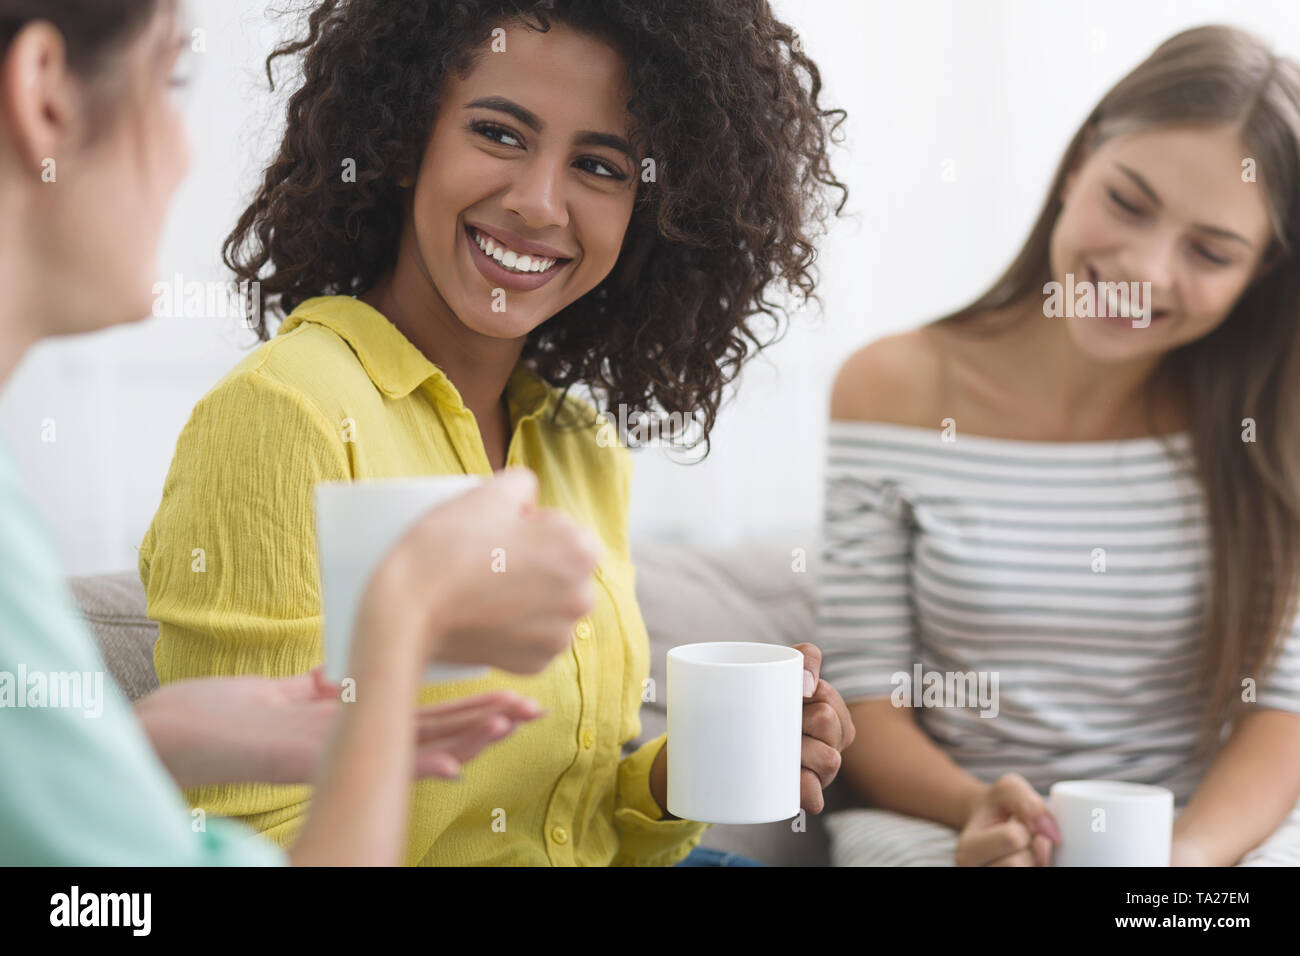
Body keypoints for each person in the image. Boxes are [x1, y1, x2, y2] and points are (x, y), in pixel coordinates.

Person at [141, 0, 857, 866]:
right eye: (501, 134)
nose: (537, 203)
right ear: (405, 140)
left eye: (598, 165)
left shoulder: (576, 444)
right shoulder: (286, 414)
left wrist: (684, 778)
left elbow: (575, 826)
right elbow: (247, 836)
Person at [0, 0, 600, 866]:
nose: (185, 153)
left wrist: (139, 740)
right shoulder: (289, 406)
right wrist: (404, 611)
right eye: (171, 79)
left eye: (599, 163)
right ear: (45, 93)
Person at [818, 24, 1300, 866]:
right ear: (1078, 165)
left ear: (1257, 272)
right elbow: (868, 699)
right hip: (949, 823)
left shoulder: (1272, 421)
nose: (1145, 270)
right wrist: (982, 813)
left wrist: (1174, 868)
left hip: (1204, 839)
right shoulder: (890, 386)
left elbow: (1285, 711)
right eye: (1127, 202)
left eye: (1210, 251)